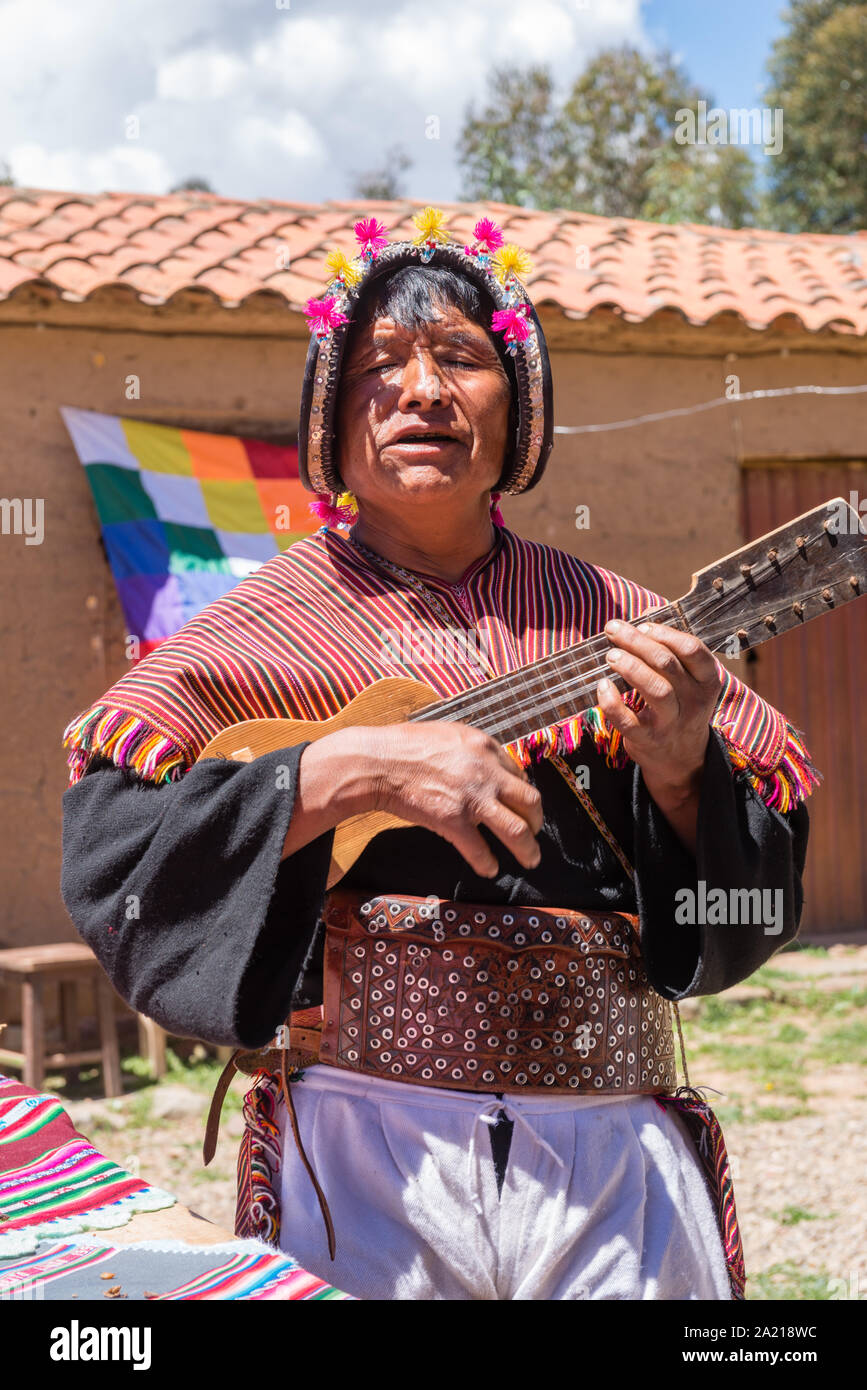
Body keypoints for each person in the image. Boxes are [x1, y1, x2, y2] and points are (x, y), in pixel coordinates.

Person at [60, 208, 815, 1302]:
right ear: (330, 415)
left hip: (614, 1158)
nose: (422, 391)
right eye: (380, 365)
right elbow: (116, 860)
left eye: (462, 357)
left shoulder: (618, 621)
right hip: (362, 1158)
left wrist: (685, 774)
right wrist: (346, 774)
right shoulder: (252, 633)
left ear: (522, 409)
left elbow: (745, 910)